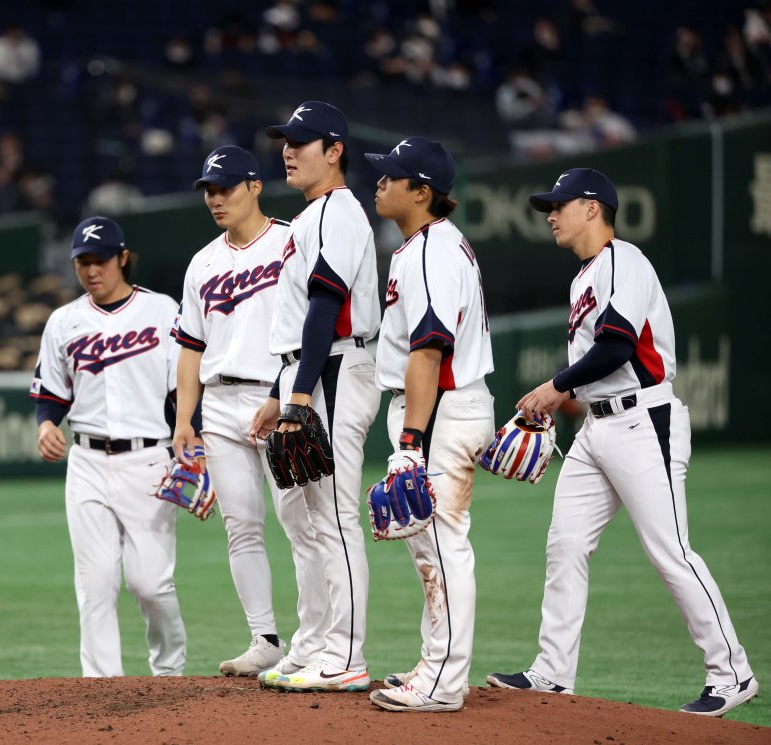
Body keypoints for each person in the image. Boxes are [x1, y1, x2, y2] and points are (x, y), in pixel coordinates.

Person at [486, 168, 759, 718]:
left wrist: (554, 386)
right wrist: (564, 395)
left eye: (559, 204)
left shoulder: (624, 262)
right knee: (565, 543)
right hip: (598, 428)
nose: (550, 214)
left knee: (671, 551)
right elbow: (598, 365)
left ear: (593, 208)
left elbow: (615, 347)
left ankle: (733, 673)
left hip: (643, 422)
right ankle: (552, 673)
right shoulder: (583, 276)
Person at [173, 145, 329, 679]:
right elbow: (191, 346)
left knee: (302, 523)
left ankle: (317, 643)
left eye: (226, 188)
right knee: (240, 525)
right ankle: (264, 637)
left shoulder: (291, 241)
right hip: (217, 403)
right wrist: (183, 421)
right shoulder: (203, 261)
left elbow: (318, 325)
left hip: (278, 395)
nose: (216, 200)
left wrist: (291, 395)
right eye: (209, 191)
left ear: (255, 187)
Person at [250, 100, 381, 692]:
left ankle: (347, 654)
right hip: (307, 371)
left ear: (335, 152)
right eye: (285, 140)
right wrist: (285, 393)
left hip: (333, 368)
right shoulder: (311, 215)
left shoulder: (337, 210)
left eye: (301, 142)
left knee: (332, 515)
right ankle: (314, 645)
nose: (287, 150)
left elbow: (327, 307)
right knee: (303, 520)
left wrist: (299, 393)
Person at [363, 137, 495, 712]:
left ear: (423, 192)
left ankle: (442, 682)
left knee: (441, 550)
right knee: (433, 551)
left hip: (439, 409)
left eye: (393, 177)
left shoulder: (428, 251)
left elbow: (429, 349)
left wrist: (410, 443)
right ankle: (437, 665)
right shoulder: (431, 246)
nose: (380, 183)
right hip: (441, 406)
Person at [30, 216, 187, 677]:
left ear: (123, 258)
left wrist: (191, 439)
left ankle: (170, 673)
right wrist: (45, 426)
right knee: (95, 583)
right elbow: (51, 392)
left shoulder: (162, 311)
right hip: (87, 462)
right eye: (83, 262)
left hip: (149, 458)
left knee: (151, 585)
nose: (92, 270)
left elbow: (184, 386)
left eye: (100, 260)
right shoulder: (64, 321)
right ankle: (101, 687)